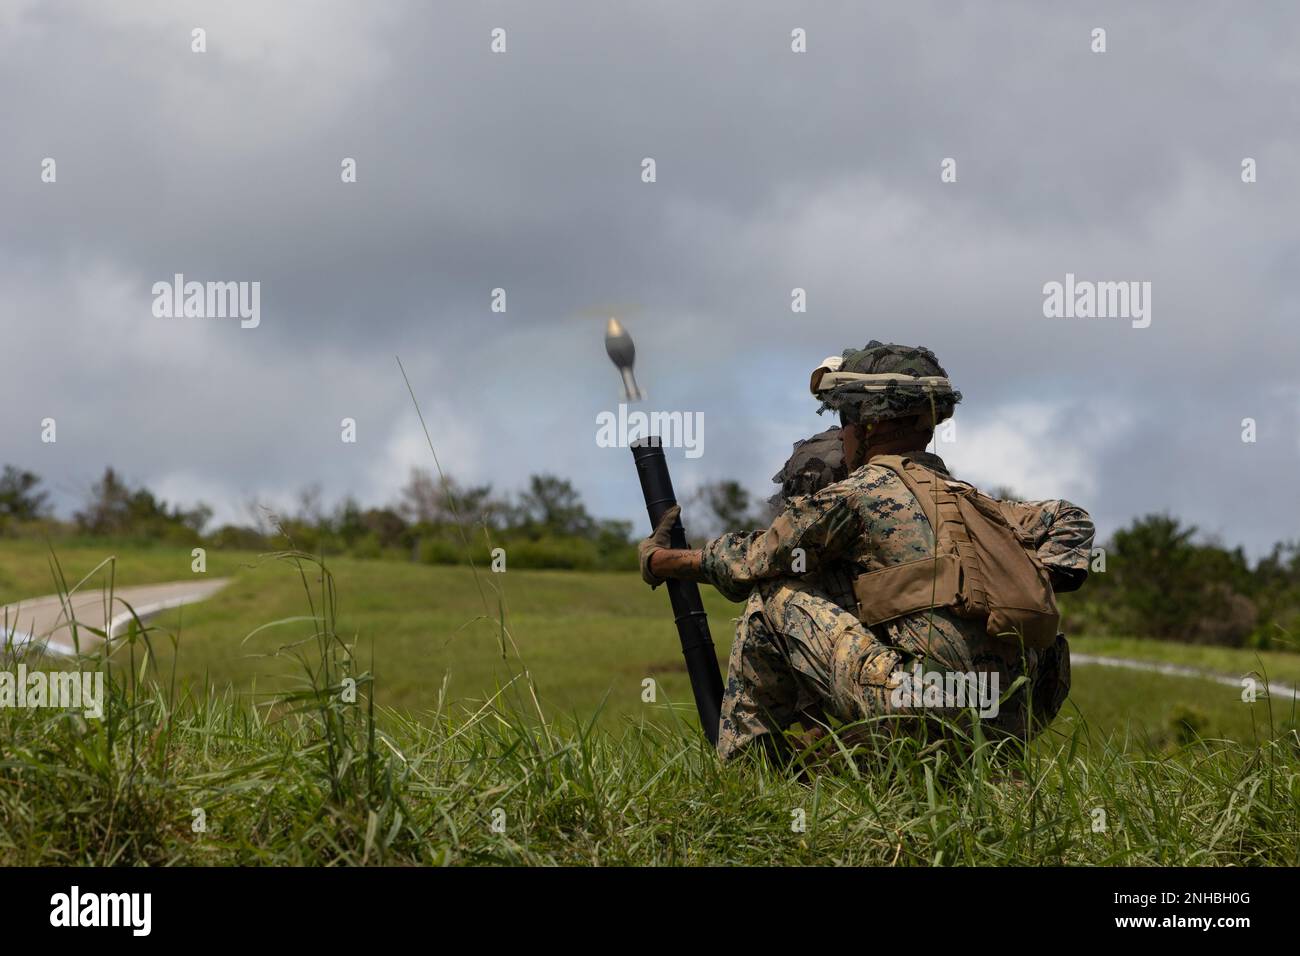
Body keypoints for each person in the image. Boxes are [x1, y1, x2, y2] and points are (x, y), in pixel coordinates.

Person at [638, 342, 1095, 764]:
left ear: (867, 423)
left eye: (845, 422)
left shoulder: (856, 494)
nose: (843, 436)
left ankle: (749, 769)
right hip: (1015, 714)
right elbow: (1072, 518)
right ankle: (921, 763)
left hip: (926, 708)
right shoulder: (984, 506)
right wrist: (1030, 577)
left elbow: (753, 559)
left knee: (772, 599)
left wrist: (665, 561)